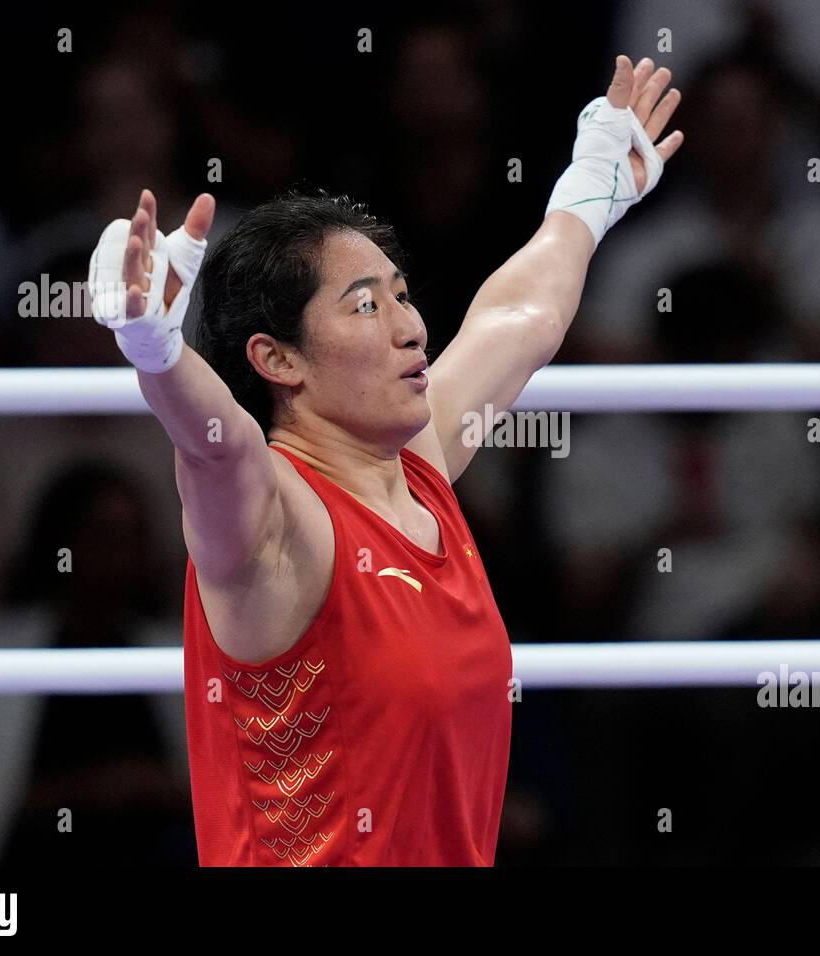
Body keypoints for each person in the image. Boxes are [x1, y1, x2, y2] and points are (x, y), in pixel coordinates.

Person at [86, 55, 683, 865]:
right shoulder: (276, 526)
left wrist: (591, 189)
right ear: (278, 360)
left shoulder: (418, 466)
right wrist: (156, 353)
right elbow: (214, 446)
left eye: (402, 295)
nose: (410, 327)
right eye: (366, 304)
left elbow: (518, 316)